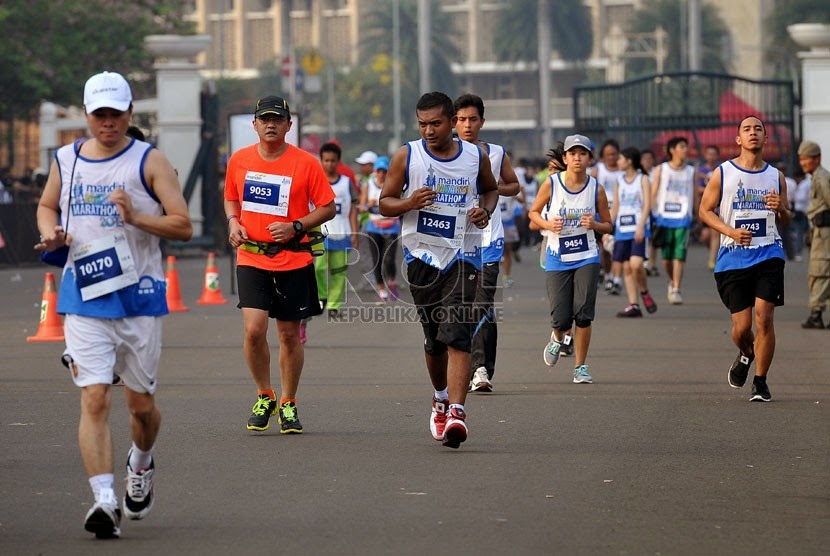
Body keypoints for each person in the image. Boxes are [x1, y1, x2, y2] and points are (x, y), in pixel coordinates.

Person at [34, 71, 193, 538]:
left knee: (141, 407)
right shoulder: (67, 159)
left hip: (139, 297)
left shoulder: (150, 161)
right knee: (95, 395)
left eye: (116, 113)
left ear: (129, 113)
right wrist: (51, 231)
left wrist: (138, 217)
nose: (108, 122)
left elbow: (183, 225)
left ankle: (140, 464)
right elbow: (47, 205)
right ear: (86, 115)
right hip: (83, 294)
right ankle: (104, 499)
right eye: (99, 114)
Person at [379, 91, 498, 449]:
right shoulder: (407, 155)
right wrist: (408, 202)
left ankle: (458, 412)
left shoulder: (475, 156)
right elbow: (384, 203)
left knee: (457, 332)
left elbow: (490, 190)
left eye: (435, 123)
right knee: (434, 342)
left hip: (464, 254)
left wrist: (485, 211)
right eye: (422, 124)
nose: (428, 130)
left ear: (451, 122)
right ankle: (441, 397)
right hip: (422, 257)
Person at [224, 95, 336, 434]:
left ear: (289, 125)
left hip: (293, 257)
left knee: (289, 335)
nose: (271, 124)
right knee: (254, 330)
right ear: (255, 124)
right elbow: (231, 195)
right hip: (252, 256)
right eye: (265, 119)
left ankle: (288, 402)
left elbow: (328, 207)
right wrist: (233, 222)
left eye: (278, 119)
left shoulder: (306, 163)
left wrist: (296, 226)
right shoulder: (239, 161)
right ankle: (264, 394)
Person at [699, 115, 790, 402]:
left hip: (769, 253)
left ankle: (761, 382)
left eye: (758, 129)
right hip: (733, 257)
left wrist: (782, 209)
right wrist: (730, 231)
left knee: (765, 318)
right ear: (738, 139)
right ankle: (746, 352)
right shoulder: (723, 173)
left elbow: (785, 220)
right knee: (742, 329)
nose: (753, 133)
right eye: (747, 129)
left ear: (765, 138)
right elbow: (704, 210)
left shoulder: (776, 176)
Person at [528, 134, 613, 384]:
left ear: (589, 158)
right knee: (561, 318)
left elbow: (609, 225)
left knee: (584, 314)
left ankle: (581, 367)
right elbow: (532, 213)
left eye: (582, 154)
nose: (577, 158)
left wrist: (595, 224)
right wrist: (547, 224)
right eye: (572, 154)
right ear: (565, 158)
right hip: (557, 256)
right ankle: (557, 338)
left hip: (587, 255)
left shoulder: (596, 188)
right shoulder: (551, 184)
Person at [453, 93, 521, 392]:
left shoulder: (495, 153)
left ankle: (480, 369)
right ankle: (459, 364)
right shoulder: (442, 155)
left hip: (488, 240)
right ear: (453, 122)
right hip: (452, 243)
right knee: (460, 306)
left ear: (482, 121)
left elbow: (514, 185)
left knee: (482, 304)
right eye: (461, 119)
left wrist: (490, 188)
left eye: (473, 119)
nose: (467, 125)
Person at [314, 141, 359, 318]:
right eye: (326, 160)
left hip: (342, 232)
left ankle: (334, 305)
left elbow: (353, 209)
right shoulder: (316, 181)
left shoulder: (346, 183)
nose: (329, 164)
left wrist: (355, 232)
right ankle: (322, 295)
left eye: (333, 161)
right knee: (318, 267)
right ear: (321, 161)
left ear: (338, 161)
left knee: (339, 271)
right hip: (321, 232)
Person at [611, 147, 657, 317]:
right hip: (622, 229)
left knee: (636, 264)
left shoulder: (643, 179)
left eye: (620, 158)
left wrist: (641, 226)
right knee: (626, 267)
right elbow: (615, 205)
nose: (618, 162)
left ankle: (644, 291)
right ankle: (634, 305)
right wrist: (607, 226)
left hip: (638, 228)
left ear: (629, 160)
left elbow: (647, 204)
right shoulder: (619, 181)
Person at [651, 136, 696, 304]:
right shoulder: (661, 169)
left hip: (683, 218)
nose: (685, 150)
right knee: (666, 258)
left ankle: (676, 288)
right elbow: (654, 191)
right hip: (663, 217)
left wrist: (698, 213)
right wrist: (648, 212)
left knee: (679, 254)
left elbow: (694, 194)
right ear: (672, 150)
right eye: (682, 146)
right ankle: (671, 280)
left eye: (686, 146)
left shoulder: (691, 171)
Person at [797, 140, 830, 329]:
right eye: (801, 159)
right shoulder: (816, 176)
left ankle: (816, 314)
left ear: (817, 159)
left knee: (819, 272)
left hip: (825, 233)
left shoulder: (820, 178)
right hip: (820, 230)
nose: (802, 163)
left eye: (806, 159)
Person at [361, 155, 400, 301]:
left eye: (384, 171)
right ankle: (381, 288)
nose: (382, 174)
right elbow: (362, 207)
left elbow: (400, 203)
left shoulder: (394, 184)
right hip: (374, 226)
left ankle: (392, 281)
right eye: (379, 171)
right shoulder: (369, 184)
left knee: (389, 258)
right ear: (375, 171)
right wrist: (369, 205)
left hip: (391, 226)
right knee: (377, 259)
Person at [591, 139, 623, 295]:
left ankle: (616, 279)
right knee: (603, 250)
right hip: (601, 214)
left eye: (614, 154)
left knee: (616, 248)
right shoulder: (598, 170)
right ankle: (609, 275)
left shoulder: (623, 171)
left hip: (620, 215)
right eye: (608, 154)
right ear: (603, 156)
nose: (611, 157)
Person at [696, 145, 722, 270]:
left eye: (713, 154)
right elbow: (698, 189)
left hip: (718, 208)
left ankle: (712, 261)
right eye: (709, 154)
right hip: (706, 207)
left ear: (717, 156)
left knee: (715, 233)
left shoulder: (721, 169)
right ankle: (714, 252)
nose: (711, 157)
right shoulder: (702, 171)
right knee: (706, 236)